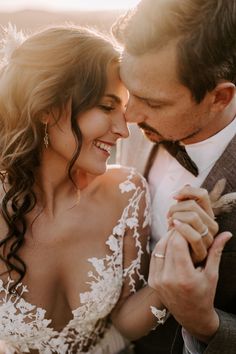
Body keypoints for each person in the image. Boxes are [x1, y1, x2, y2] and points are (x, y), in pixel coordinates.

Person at [0, 24, 219, 354]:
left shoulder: (127, 192)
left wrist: (178, 254)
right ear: (46, 107)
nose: (123, 130)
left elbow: (124, 321)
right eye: (106, 107)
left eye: (123, 109)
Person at [113, 0, 236, 353]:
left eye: (153, 103)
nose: (129, 116)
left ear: (219, 97)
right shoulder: (132, 128)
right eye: (129, 91)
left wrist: (205, 324)